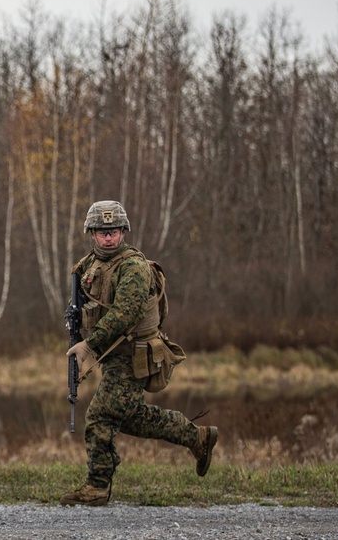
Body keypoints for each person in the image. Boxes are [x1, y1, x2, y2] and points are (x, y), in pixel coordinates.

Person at [60, 200, 217, 506]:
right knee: (131, 417)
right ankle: (197, 437)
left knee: (100, 416)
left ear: (124, 232)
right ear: (91, 233)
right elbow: (83, 304)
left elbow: (124, 314)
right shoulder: (88, 265)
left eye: (115, 231)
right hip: (114, 354)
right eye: (103, 231)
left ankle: (97, 486)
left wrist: (89, 345)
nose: (109, 237)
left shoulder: (133, 266)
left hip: (134, 354)